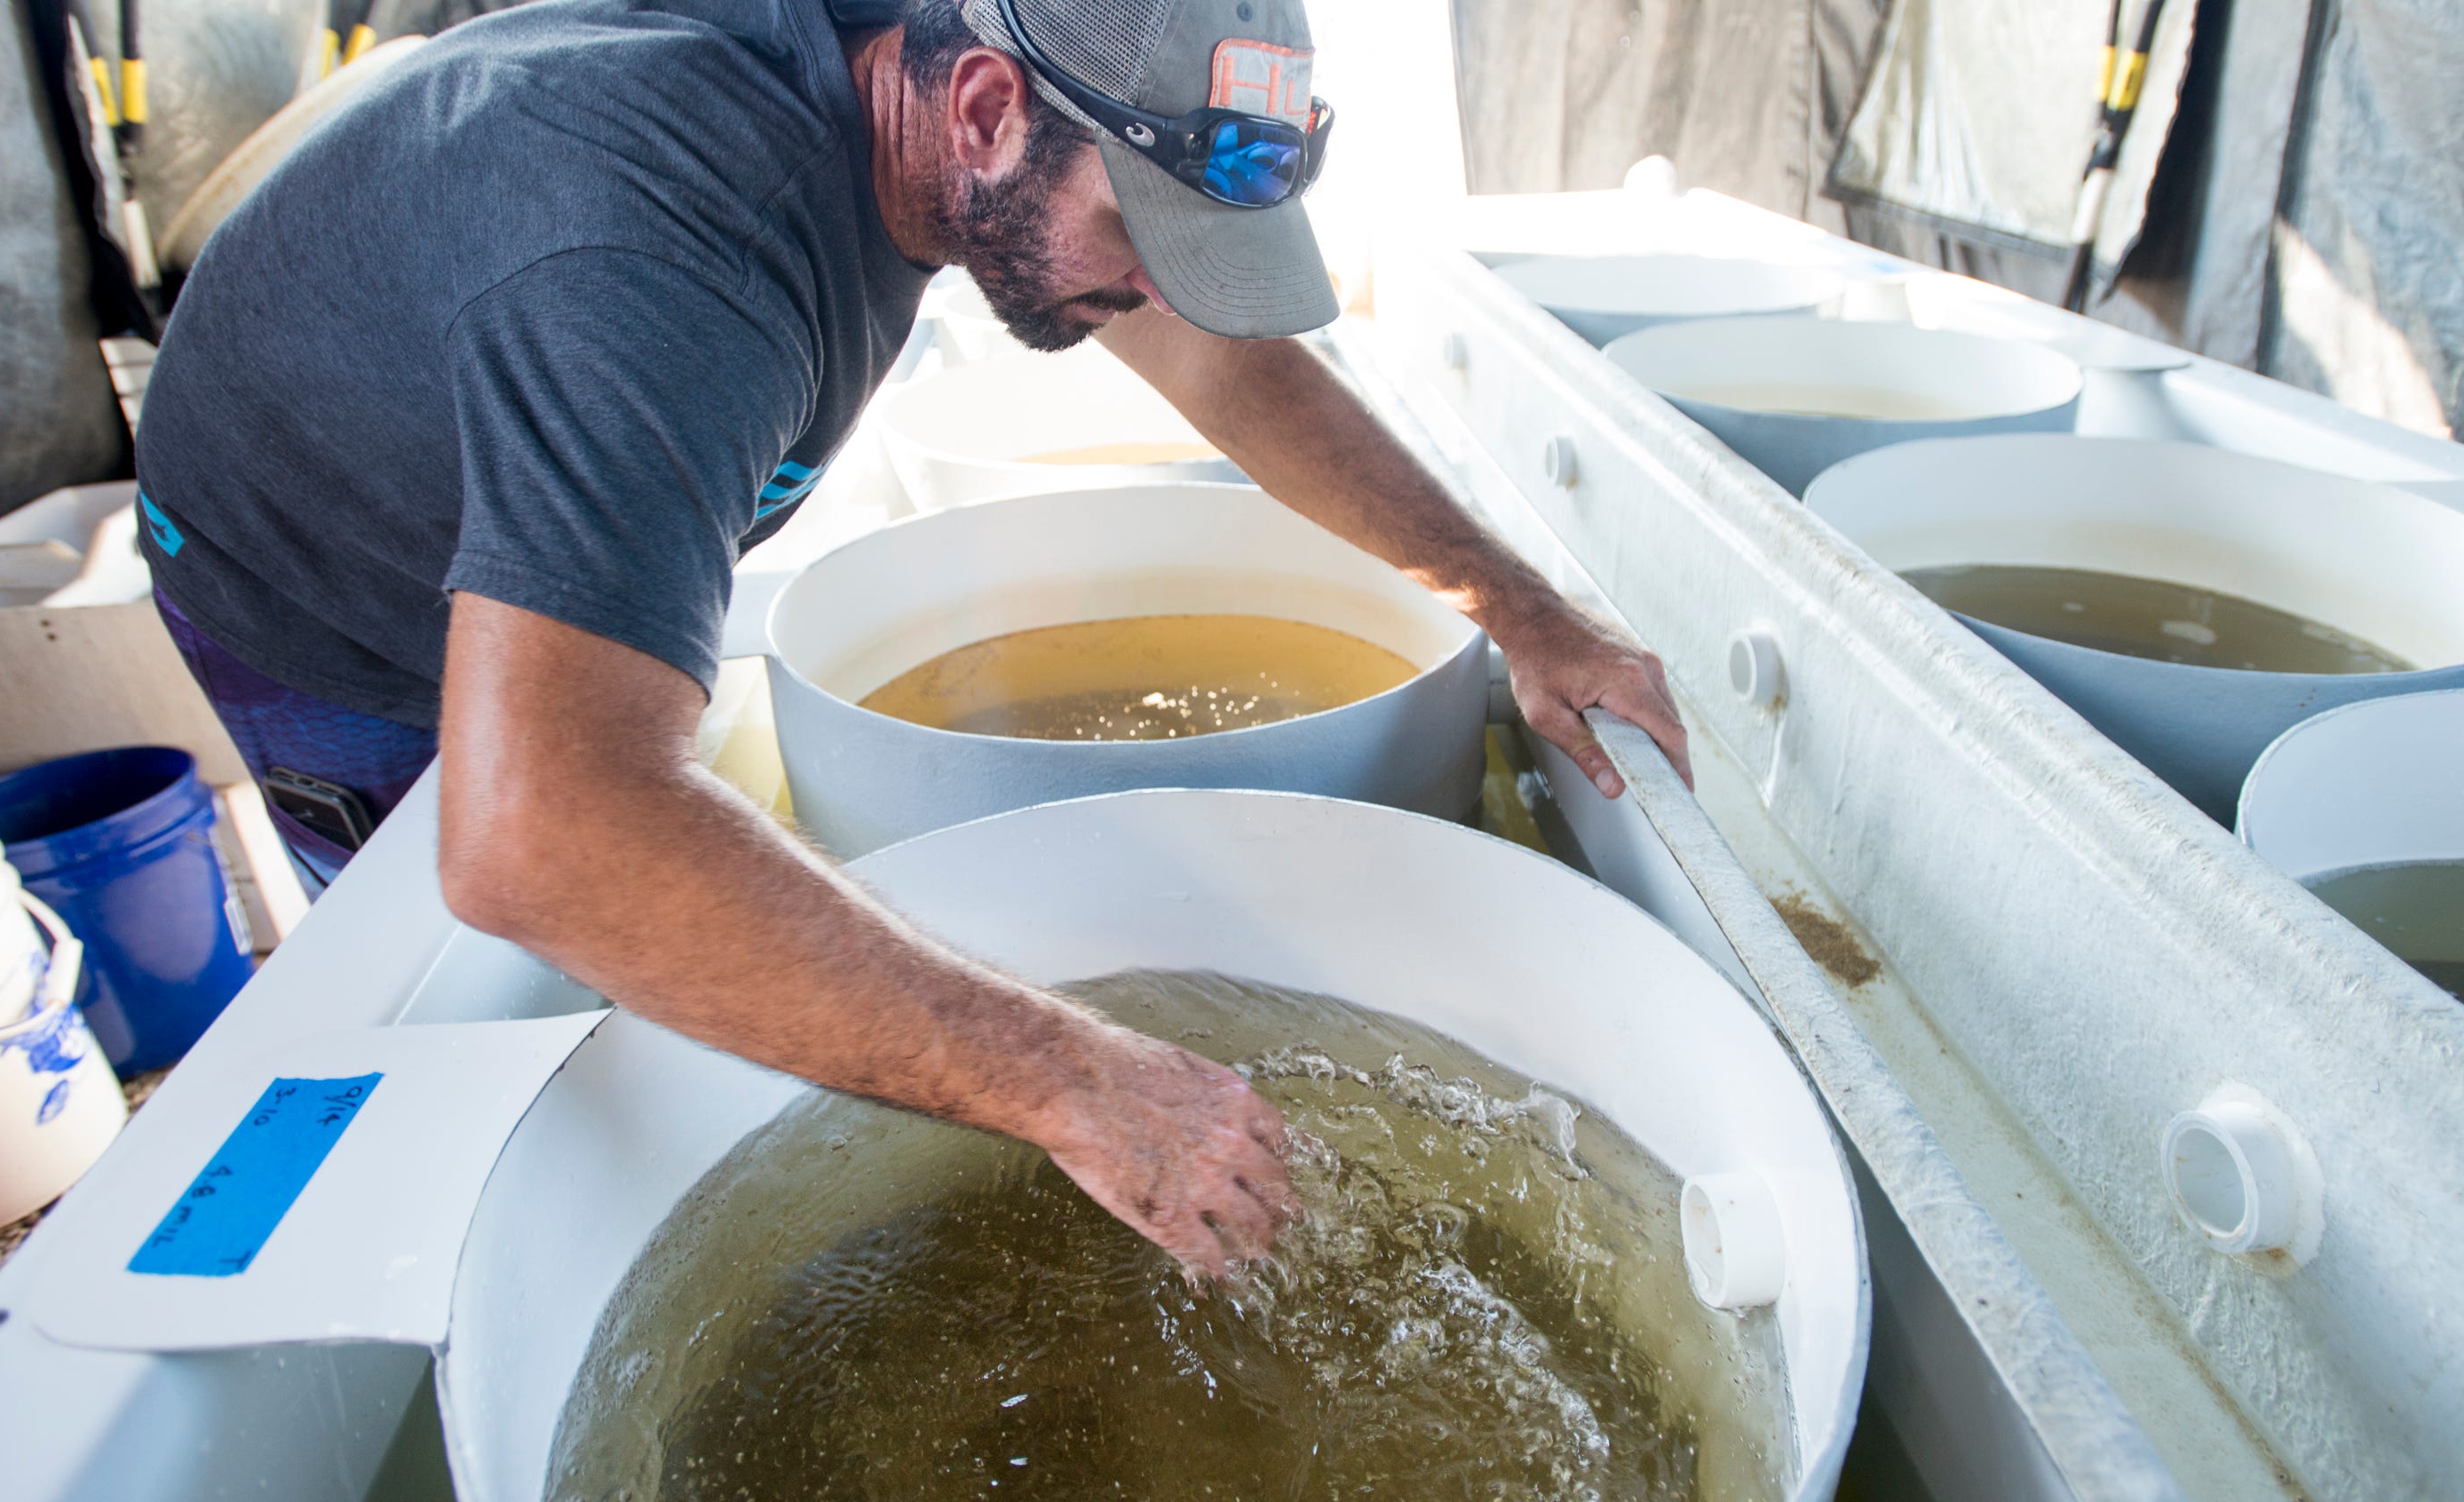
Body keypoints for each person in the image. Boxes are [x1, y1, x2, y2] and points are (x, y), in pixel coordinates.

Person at [132, 0, 1692, 1277]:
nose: (1157, 291)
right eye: (1139, 239)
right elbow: (540, 833)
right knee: (536, 971)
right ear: (985, 109)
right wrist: (1084, 1085)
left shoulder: (946, 70)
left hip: (527, 367)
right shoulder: (669, 281)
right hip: (322, 584)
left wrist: (1524, 608)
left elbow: (1228, 369)